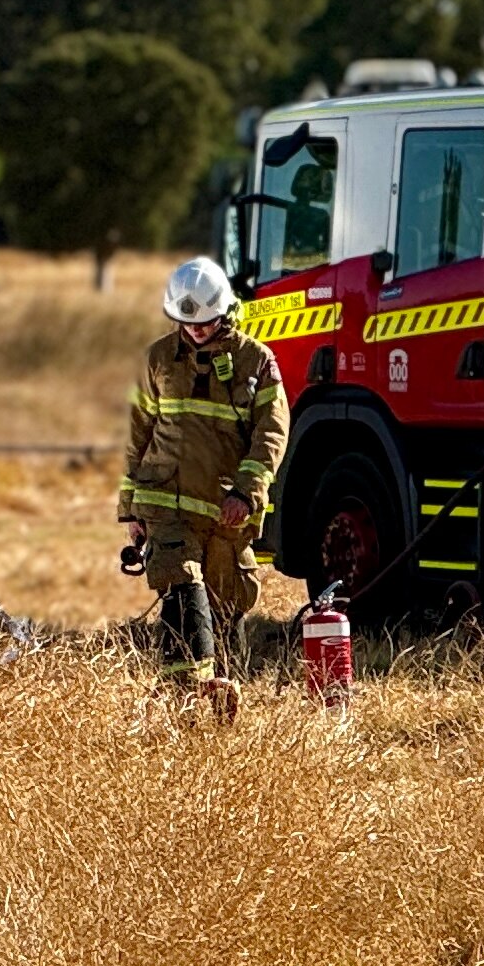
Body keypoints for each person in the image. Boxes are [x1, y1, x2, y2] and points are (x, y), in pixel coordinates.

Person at [120, 257, 289, 685]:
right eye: (187, 322)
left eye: (205, 321)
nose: (195, 330)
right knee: (181, 586)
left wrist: (246, 493)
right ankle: (188, 692)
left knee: (225, 605)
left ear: (225, 309)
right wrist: (130, 510)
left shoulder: (256, 361)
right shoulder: (157, 358)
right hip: (164, 504)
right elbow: (136, 434)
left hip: (224, 509)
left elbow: (271, 434)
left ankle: (224, 694)